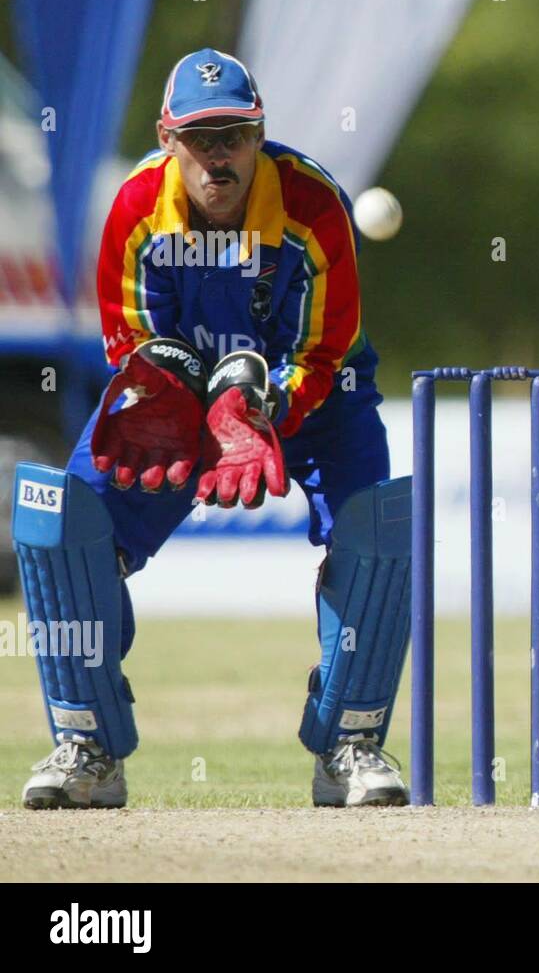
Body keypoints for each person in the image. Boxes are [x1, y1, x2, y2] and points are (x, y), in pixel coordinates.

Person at [13, 48, 411, 808]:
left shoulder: (314, 206)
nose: (218, 156)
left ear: (260, 135)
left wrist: (260, 410)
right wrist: (174, 398)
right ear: (168, 140)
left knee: (378, 534)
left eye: (234, 135)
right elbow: (128, 344)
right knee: (62, 526)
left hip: (316, 398)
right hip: (179, 404)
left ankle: (351, 747)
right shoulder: (135, 210)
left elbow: (323, 350)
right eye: (200, 138)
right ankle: (86, 748)